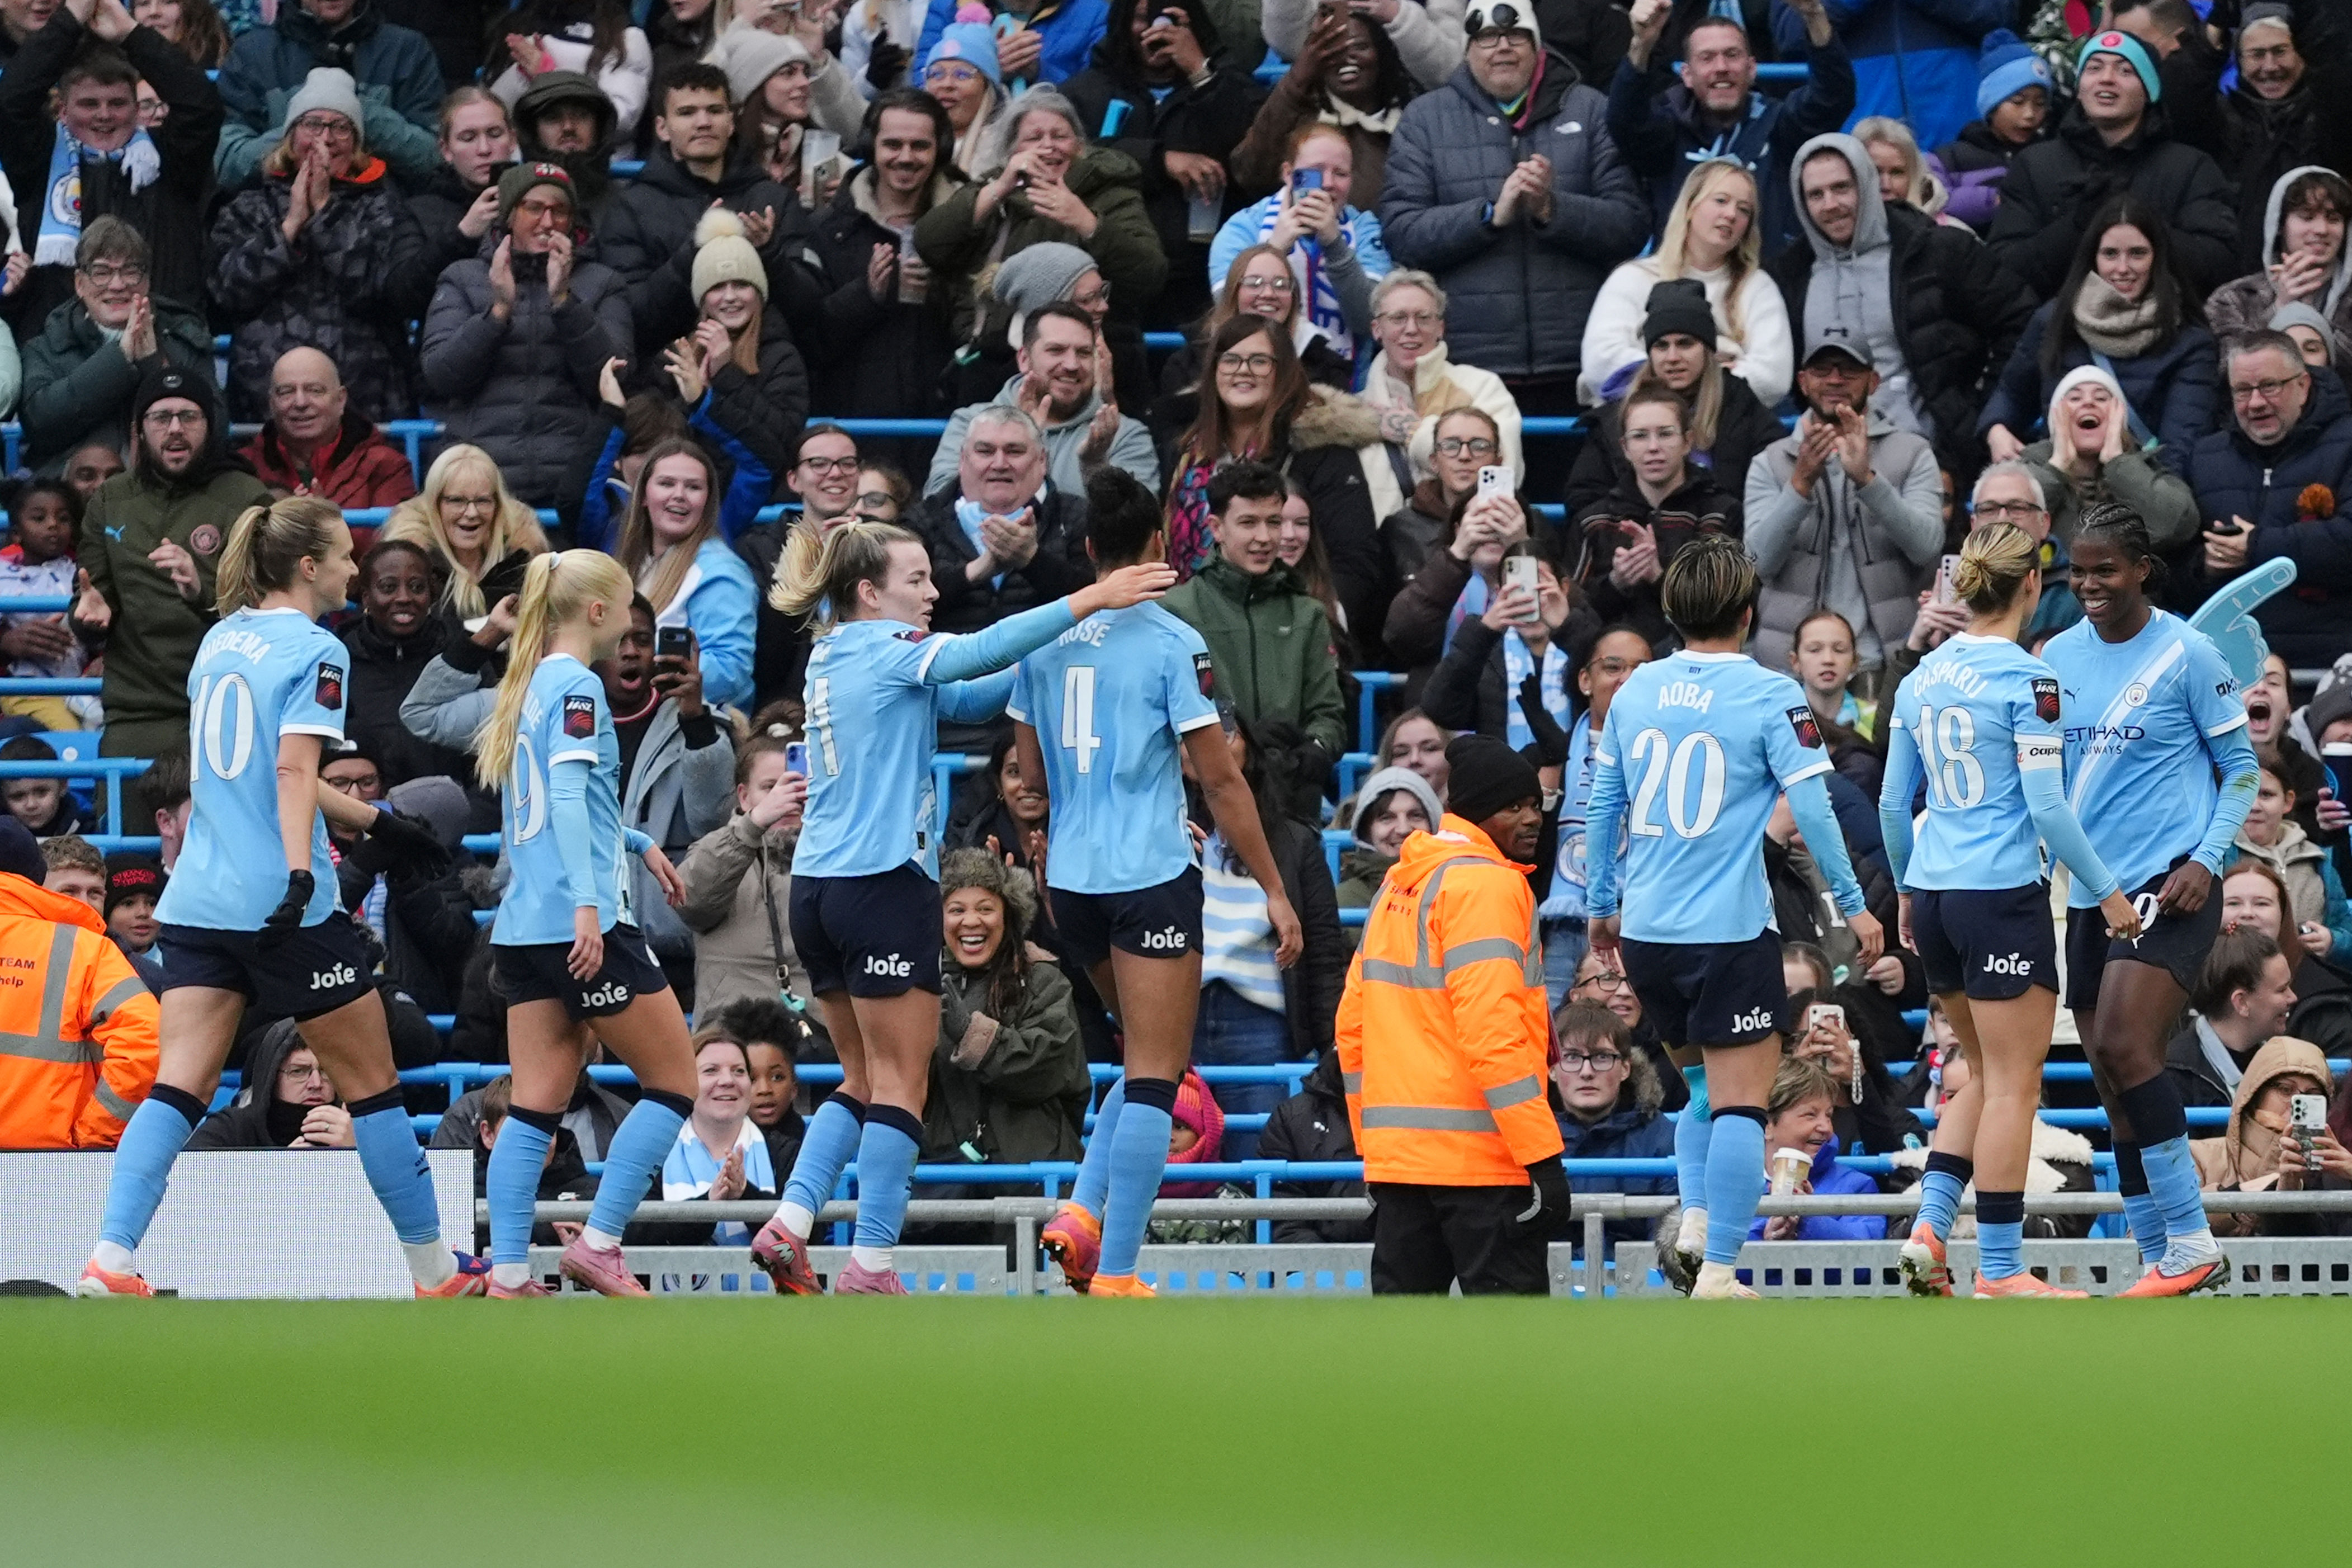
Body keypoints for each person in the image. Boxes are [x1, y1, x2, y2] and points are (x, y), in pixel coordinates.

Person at [747, 517, 1172, 1295]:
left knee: (859, 1079)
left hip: (816, 889)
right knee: (903, 1084)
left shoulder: (834, 651)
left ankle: (791, 1221)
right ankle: (872, 1265)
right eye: (916, 579)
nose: (933, 591)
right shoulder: (888, 647)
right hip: (880, 884)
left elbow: (972, 695)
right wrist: (1089, 600)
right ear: (870, 592)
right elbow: (976, 653)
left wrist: (1044, 656)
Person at [74, 497, 479, 1298]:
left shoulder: (220, 638)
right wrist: (301, 872)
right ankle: (434, 1271)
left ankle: (109, 1260)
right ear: (308, 565)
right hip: (281, 901)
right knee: (375, 1087)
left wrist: (377, 822)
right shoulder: (318, 650)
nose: (355, 568)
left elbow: (256, 769)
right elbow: (294, 771)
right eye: (346, 555)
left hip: (199, 897)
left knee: (179, 1086)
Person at [1015, 469, 1299, 1294]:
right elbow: (1221, 778)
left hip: (1072, 881)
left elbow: (1030, 776)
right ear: (1159, 546)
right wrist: (1275, 888)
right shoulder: (1174, 640)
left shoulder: (1044, 637)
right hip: (1147, 873)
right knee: (1156, 1074)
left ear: (1088, 548)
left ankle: (1081, 1210)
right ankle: (1119, 1271)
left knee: (1144, 1057)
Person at [1585, 534, 1884, 1300]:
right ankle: (1720, 1266)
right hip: (1727, 933)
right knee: (1743, 1108)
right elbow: (1813, 808)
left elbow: (1604, 801)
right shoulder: (1771, 693)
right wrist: (1854, 905)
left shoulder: (1637, 690)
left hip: (1648, 932)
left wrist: (1600, 904)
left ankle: (1693, 1219)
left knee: (1697, 1089)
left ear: (1671, 610)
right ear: (1749, 614)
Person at [1877, 521, 2140, 1300]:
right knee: (2016, 1085)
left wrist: (1905, 889)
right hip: (1999, 895)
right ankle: (1998, 1266)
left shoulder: (1921, 676)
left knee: (1987, 1074)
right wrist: (2108, 890)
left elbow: (1893, 803)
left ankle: (1930, 1227)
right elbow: (2049, 808)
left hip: (1935, 894)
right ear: (2032, 584)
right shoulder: (2032, 682)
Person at [467, 548, 703, 1298]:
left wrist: (634, 841)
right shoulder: (577, 684)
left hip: (521, 927)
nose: (634, 623)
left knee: (533, 1103)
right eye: (629, 606)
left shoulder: (528, 684)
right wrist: (589, 908)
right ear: (598, 612)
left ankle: (509, 1274)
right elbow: (567, 800)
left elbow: (553, 808)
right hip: (581, 922)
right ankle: (600, 1243)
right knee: (676, 1084)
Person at [2038, 502, 2258, 1295]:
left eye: (2105, 569)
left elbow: (2242, 771)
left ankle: (2192, 1242)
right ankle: (2157, 1252)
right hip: (2091, 894)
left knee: (2127, 1046)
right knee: (2107, 1071)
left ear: (2142, 570)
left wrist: (2206, 858)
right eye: (2077, 570)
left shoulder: (2188, 653)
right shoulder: (2055, 656)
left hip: (2171, 883)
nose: (2089, 584)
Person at [1337, 733, 1567, 1295]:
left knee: (1404, 1341)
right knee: (1512, 1343)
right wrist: (1541, 1155)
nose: (1532, 818)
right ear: (1480, 812)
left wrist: (1374, 1146)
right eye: (1513, 807)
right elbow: (1493, 1033)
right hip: (1483, 1164)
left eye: (1535, 804)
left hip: (1400, 1167)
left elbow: (1352, 1026)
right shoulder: (1488, 885)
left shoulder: (1398, 883)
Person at [1378, 1, 1649, 461]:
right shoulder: (1425, 119)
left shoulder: (1589, 109)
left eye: (1516, 36)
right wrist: (1488, 215)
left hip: (1576, 365)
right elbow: (1402, 232)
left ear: (1537, 45)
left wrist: (1552, 209)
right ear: (1468, 50)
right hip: (1468, 369)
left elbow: (1630, 223)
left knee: (1574, 498)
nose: (1501, 47)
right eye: (1486, 38)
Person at [1767, 134, 2036, 494]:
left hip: (1933, 464)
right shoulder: (1789, 275)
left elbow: (2022, 323)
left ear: (1866, 184)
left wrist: (1979, 413)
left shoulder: (1938, 249)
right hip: (1830, 478)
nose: (1830, 205)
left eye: (1842, 188)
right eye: (1816, 195)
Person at [68, 364, 273, 766]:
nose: (175, 429)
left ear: (209, 426)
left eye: (189, 416)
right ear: (140, 430)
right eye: (161, 417)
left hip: (228, 703)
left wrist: (201, 591)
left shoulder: (247, 497)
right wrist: (88, 620)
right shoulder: (111, 498)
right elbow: (91, 598)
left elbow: (268, 611)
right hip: (137, 711)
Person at [208, 70, 430, 424]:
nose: (326, 139)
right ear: (290, 136)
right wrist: (289, 227)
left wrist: (325, 212)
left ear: (356, 143)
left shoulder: (385, 207)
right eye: (312, 125)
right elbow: (228, 292)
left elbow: (379, 292)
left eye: (340, 128)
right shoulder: (247, 207)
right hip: (263, 403)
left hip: (366, 402)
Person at [0, 0, 223, 341]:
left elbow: (201, 104)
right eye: (89, 104)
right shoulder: (38, 159)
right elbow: (12, 99)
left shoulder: (171, 159)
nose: (104, 115)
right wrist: (70, 20)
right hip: (62, 346)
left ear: (136, 109)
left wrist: (131, 34)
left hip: (164, 337)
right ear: (62, 110)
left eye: (117, 104)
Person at [420, 162, 634, 511]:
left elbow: (615, 377)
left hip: (572, 481)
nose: (548, 222)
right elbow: (442, 376)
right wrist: (498, 312)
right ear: (508, 216)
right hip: (482, 483)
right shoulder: (462, 277)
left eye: (559, 211)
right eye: (534, 208)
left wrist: (565, 302)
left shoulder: (603, 282)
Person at [1160, 316, 1385, 643]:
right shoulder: (1185, 454)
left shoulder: (1322, 453)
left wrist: (1301, 630)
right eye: (1230, 360)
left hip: (1284, 639)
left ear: (1283, 371)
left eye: (1259, 361)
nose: (1243, 370)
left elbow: (1354, 566)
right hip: (1188, 635)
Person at [915, 86, 1168, 373]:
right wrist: (999, 188)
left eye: (1060, 136)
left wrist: (1085, 221)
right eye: (1034, 138)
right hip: (998, 355)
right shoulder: (993, 190)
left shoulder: (1109, 188)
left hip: (1091, 357)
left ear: (1079, 146)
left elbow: (1149, 273)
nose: (1049, 146)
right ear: (1013, 151)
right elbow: (929, 243)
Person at [1986, 29, 2238, 303]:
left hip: (2166, 322)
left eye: (2125, 71)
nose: (2106, 79)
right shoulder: (2035, 165)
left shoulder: (2190, 167)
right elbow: (2005, 269)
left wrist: (2144, 224)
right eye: (2094, 68)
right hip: (2060, 323)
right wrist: (2076, 223)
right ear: (2080, 89)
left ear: (2149, 91)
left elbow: (2221, 265)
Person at [1061, 0, 1267, 331]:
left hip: (1203, 276)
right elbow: (1072, 157)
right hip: (1109, 273)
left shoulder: (1230, 86)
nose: (1155, 30)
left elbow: (1256, 156)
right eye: (1142, 18)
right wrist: (1159, 161)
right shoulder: (1085, 93)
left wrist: (1200, 72)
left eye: (1168, 18)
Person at [1744, 338, 1945, 675]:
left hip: (1885, 659)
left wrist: (1868, 481)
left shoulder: (1913, 453)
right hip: (1792, 665)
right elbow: (1759, 562)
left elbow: (1926, 547)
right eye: (1822, 370)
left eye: (1849, 370)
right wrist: (1799, 486)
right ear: (1803, 382)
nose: (1835, 380)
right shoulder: (1771, 462)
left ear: (1874, 382)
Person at [1980, 195, 2216, 481]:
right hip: (2060, 487)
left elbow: (2178, 454)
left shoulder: (2190, 342)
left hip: (2142, 490)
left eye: (2138, 254)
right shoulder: (2054, 320)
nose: (2123, 268)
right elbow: (2012, 393)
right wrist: (1997, 429)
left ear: (2158, 258)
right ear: (2093, 258)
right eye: (2110, 254)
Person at [1607, 0, 1850, 257]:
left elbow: (1833, 97)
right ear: (1687, 75)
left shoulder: (1779, 124)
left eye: (1732, 55)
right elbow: (1623, 120)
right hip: (1681, 278)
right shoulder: (1667, 131)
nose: (1721, 68)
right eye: (1707, 58)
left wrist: (1814, 15)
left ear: (1752, 69)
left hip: (1770, 276)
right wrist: (1642, 42)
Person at [796, 88, 964, 436]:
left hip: (944, 429)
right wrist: (868, 295)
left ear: (941, 149)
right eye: (893, 145)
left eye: (920, 146)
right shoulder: (826, 230)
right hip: (853, 429)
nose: (906, 157)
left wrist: (941, 289)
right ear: (871, 147)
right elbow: (808, 341)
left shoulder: (968, 228)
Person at [598, 62, 795, 351]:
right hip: (670, 369)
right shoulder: (630, 208)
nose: (704, 122)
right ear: (662, 128)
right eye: (687, 113)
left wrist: (770, 253)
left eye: (715, 111)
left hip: (767, 367)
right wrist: (691, 253)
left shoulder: (773, 198)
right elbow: (631, 316)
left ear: (731, 122)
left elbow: (812, 311)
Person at [1164, 459, 1348, 767]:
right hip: (1206, 789)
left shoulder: (1308, 613)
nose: (1264, 537)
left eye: (1273, 522)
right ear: (1216, 528)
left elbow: (1329, 714)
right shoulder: (1177, 610)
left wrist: (1312, 752)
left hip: (1291, 787)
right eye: (1249, 523)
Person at [2188, 331, 2352, 670]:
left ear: (2303, 386)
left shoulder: (2347, 445)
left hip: (2332, 665)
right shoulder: (2205, 457)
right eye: (2242, 390)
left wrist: (2257, 546)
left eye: (2269, 386)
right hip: (2232, 668)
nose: (2256, 403)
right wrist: (2204, 566)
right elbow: (2174, 569)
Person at [923, 848, 1091, 1174]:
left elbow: (1049, 1068)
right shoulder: (919, 986)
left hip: (1033, 1177)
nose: (971, 921)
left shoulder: (1044, 979)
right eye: (956, 910)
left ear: (1009, 915)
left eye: (985, 909)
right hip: (940, 1180)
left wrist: (974, 1038)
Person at [1562, 280, 1786, 522]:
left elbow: (1774, 492)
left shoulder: (1743, 408)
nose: (1672, 357)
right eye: (1661, 346)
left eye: (1685, 344)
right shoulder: (1614, 419)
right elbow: (1583, 501)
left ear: (1708, 349)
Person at [1579, 157, 1791, 410]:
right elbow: (1601, 362)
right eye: (1721, 200)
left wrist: (1663, 369)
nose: (1731, 214)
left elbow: (1774, 378)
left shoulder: (1757, 286)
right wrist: (1706, 368)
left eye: (1744, 209)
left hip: (1727, 428)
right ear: (1690, 206)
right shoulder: (1633, 278)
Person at [0, 818, 159, 1151]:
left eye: (95, 893)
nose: (83, 902)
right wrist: (93, 1139)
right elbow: (146, 1044)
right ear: (37, 878)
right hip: (47, 1162)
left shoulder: (90, 949)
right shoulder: (87, 951)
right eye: (69, 892)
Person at [17, 219, 211, 474]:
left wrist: (153, 364)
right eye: (101, 273)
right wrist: (119, 358)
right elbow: (40, 425)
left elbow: (215, 429)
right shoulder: (48, 345)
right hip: (75, 490)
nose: (118, 285)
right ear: (79, 284)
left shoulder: (185, 337)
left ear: (147, 281)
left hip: (168, 487)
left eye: (130, 272)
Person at [1570, 381, 1740, 653]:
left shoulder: (1720, 513)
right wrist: (1616, 582)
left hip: (1696, 663)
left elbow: (1727, 611)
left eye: (1665, 434)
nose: (1653, 447)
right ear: (1625, 448)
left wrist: (1659, 576)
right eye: (1640, 436)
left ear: (1687, 442)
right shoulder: (1594, 520)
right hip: (1615, 666)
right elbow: (1572, 616)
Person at [1203, 122, 1389, 365]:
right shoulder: (1243, 227)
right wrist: (1274, 250)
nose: (1328, 184)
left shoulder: (1365, 228)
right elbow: (1229, 315)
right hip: (1263, 374)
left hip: (1345, 381)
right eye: (1315, 172)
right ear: (1288, 174)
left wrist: (1335, 246)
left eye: (1341, 174)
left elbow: (1372, 321)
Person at [927, 302, 1156, 498]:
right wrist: (1022, 437)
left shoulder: (1125, 436)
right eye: (1056, 350)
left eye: (1084, 353)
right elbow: (938, 503)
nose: (1072, 365)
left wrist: (1095, 467)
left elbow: (1138, 526)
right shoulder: (970, 423)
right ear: (1024, 359)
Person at [214, 0, 445, 189]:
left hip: (384, 215)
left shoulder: (407, 50)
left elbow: (437, 157)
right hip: (274, 214)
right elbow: (228, 166)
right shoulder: (253, 53)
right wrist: (305, 127)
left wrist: (355, 111)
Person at [677, 720, 816, 1020]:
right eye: (770, 788)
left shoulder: (837, 853)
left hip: (821, 1031)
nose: (786, 798)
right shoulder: (714, 848)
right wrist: (752, 827)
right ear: (743, 796)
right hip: (731, 1031)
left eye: (797, 785)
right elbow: (690, 903)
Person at [613, 437, 759, 711]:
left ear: (707, 501)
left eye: (693, 487)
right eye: (667, 484)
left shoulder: (722, 572)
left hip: (698, 727)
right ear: (643, 495)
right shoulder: (631, 564)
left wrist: (645, 665)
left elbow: (731, 673)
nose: (679, 495)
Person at [1230, 3, 1413, 207]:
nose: (1347, 57)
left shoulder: (1414, 119)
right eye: (1334, 49)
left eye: (1360, 47)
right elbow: (1249, 174)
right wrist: (1296, 81)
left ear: (1382, 54)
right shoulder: (1301, 115)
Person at [1357, 270, 1522, 489]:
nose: (1411, 329)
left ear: (1440, 329)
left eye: (1424, 318)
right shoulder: (1356, 410)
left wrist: (1417, 433)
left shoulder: (1483, 387)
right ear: (1377, 329)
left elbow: (1505, 475)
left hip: (1467, 513)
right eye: (1398, 318)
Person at [2012, 366, 2200, 554]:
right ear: (2057, 416)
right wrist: (2058, 465)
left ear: (2119, 416)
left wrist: (2118, 463)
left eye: (2101, 398)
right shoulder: (2025, 470)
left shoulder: (2148, 468)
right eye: (2075, 398)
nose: (2088, 403)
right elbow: (2007, 529)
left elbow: (2177, 526)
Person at [376, 442, 551, 629]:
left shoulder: (523, 563)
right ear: (435, 506)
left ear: (498, 506)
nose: (471, 513)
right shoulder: (408, 571)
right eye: (457, 501)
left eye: (483, 501)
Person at [2189, 1033, 2342, 1236]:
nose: (2296, 1102)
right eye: (2286, 1090)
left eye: (2313, 1096)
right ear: (2255, 1094)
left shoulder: (2333, 1169)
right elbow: (2164, 1231)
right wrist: (2239, 1196)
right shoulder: (2199, 1156)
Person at [1550, 998, 1674, 1249]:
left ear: (1626, 1068)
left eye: (1602, 1057)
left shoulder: (1663, 1138)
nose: (1586, 1072)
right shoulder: (1528, 1137)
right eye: (1572, 1057)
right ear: (1551, 1069)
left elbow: (1668, 1242)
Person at [2207, 167, 2352, 382]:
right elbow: (2226, 375)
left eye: (2333, 219)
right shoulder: (2234, 299)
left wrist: (2311, 322)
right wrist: (2280, 310)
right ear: (2280, 225)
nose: (2322, 230)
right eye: (2307, 217)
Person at [237, 348, 418, 512]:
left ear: (341, 400)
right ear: (271, 403)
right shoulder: (243, 469)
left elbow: (396, 537)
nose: (300, 402)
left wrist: (327, 523)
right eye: (286, 392)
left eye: (315, 390)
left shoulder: (385, 467)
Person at [658, 1032, 778, 1244]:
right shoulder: (656, 1152)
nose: (727, 1081)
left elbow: (809, 1232)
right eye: (711, 1071)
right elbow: (636, 1234)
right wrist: (709, 1203)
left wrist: (744, 1193)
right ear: (686, 1080)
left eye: (739, 1071)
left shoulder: (784, 1150)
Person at [2169, 925, 2300, 1114]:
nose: (2293, 998)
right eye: (2282, 990)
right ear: (2242, 1002)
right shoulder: (2176, 1078)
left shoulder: (2290, 1061)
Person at [1936, 28, 2054, 236]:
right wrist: (1997, 200)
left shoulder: (2051, 155)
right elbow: (1933, 200)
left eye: (2040, 104)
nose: (2030, 114)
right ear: (1992, 106)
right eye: (2017, 102)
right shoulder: (1950, 159)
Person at [0, 479, 95, 731]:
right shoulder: (3, 575)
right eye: (39, 519)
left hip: (78, 685)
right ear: (16, 533)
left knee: (99, 728)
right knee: (68, 732)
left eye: (63, 519)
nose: (53, 525)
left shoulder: (81, 572)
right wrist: (6, 642)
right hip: (27, 689)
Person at [489, 0, 654, 141]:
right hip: (533, 157)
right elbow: (493, 112)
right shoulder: (531, 19)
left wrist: (548, 79)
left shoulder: (626, 36)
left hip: (598, 163)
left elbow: (620, 119)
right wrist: (523, 74)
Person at [410, 87, 520, 283]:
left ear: (512, 140)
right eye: (468, 138)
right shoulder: (418, 210)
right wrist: (462, 235)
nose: (484, 149)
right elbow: (404, 291)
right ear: (446, 150)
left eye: (495, 134)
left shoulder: (541, 196)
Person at [911, 0, 1111, 91]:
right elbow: (922, 81)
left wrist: (1040, 74)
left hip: (1049, 138)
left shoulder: (1094, 11)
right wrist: (984, 70)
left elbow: (1099, 95)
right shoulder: (948, 6)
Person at [1337, 763, 1442, 922]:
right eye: (1387, 818)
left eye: (1416, 816)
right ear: (1366, 831)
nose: (1403, 829)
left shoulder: (1456, 886)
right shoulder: (1345, 901)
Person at [917, 18, 1008, 177]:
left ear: (987, 88)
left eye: (962, 75)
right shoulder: (908, 144)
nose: (947, 84)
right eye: (936, 74)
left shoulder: (1007, 149)